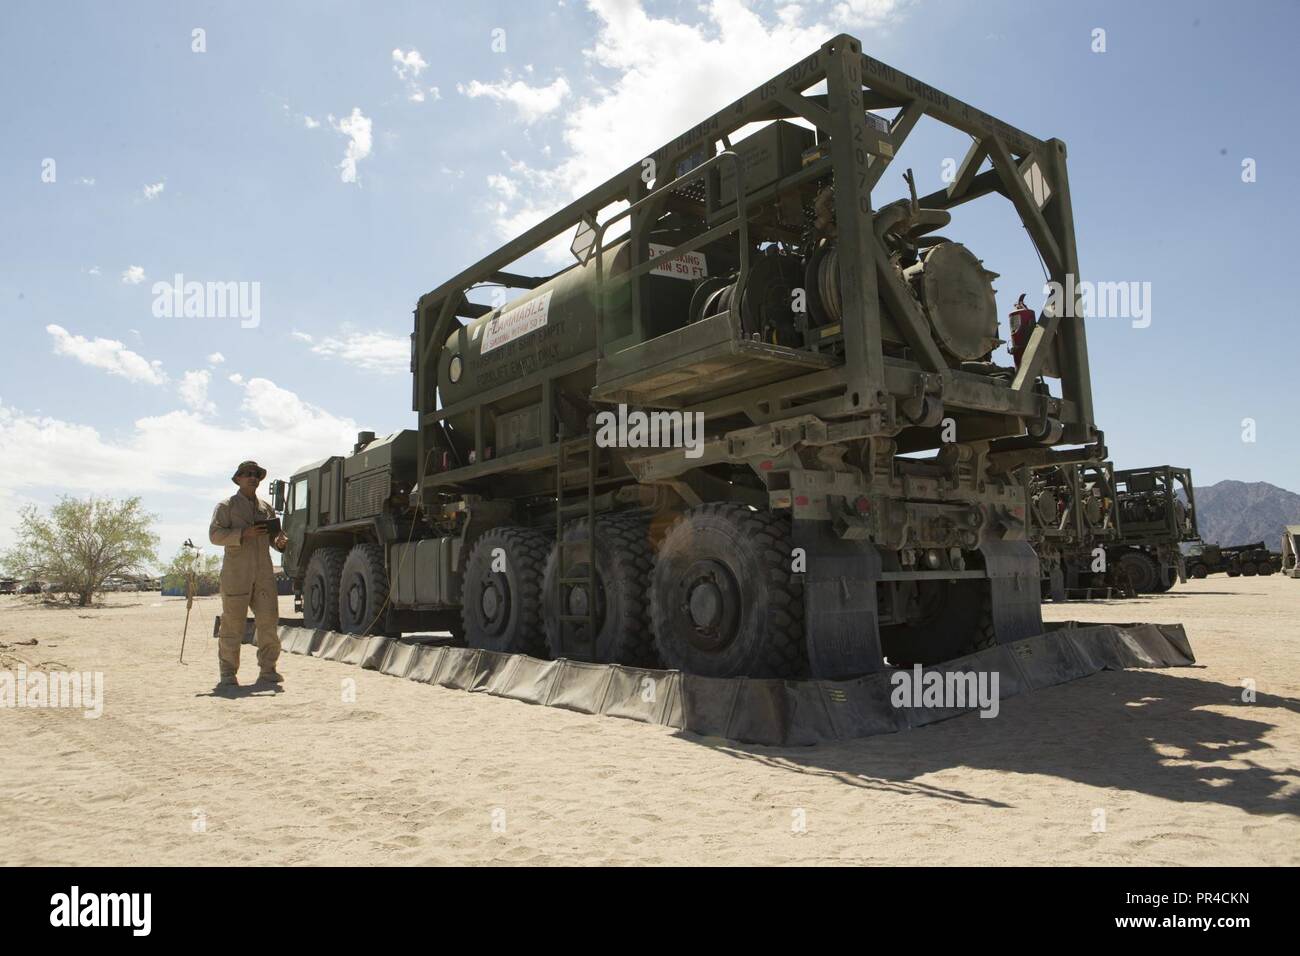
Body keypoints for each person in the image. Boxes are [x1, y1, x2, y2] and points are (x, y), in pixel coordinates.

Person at [209, 461, 289, 687]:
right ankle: (227, 673)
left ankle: (268, 670)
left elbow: (275, 538)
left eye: (256, 474)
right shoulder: (226, 506)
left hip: (263, 574)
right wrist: (244, 533)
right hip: (236, 574)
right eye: (247, 474)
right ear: (238, 479)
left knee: (268, 623)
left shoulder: (266, 508)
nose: (252, 477)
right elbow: (215, 535)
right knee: (232, 624)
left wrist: (280, 542)